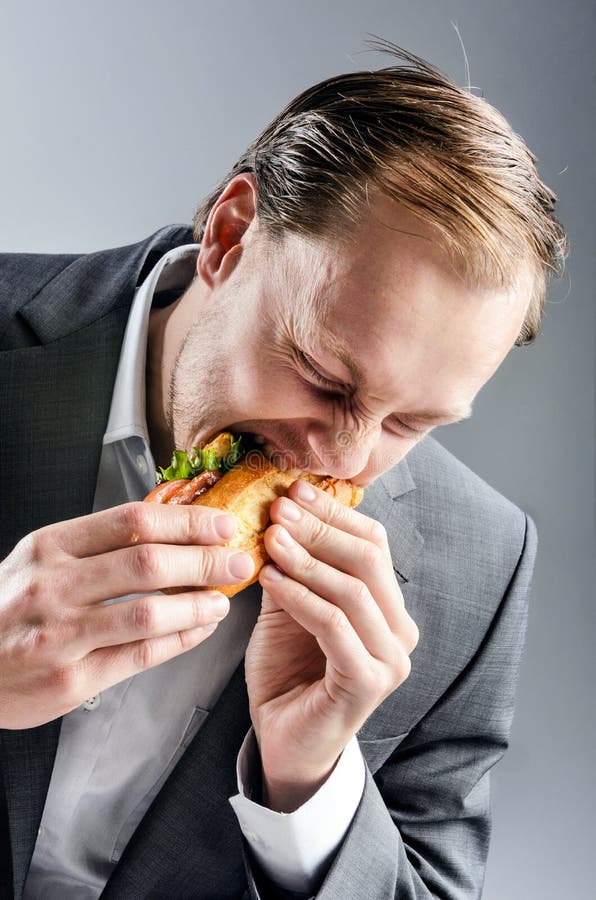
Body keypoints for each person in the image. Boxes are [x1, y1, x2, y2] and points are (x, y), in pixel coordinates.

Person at [0, 46, 565, 900]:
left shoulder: (477, 567)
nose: (340, 460)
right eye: (325, 379)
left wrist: (311, 790)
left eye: (411, 422)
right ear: (230, 238)